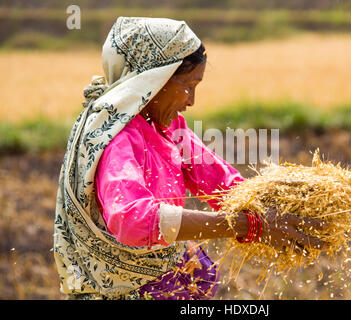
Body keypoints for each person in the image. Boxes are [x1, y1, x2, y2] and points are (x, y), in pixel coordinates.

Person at [53, 17, 327, 300]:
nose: (191, 100)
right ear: (151, 81)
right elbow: (131, 219)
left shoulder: (169, 126)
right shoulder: (117, 139)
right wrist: (247, 225)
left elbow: (220, 183)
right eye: (187, 85)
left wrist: (284, 207)